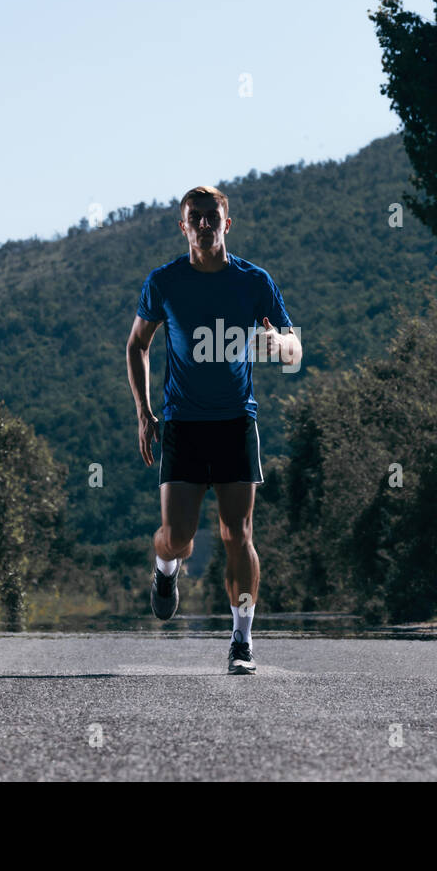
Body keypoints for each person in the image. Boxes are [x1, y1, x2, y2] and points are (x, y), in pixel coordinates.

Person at [126, 185, 301, 674]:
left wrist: (276, 343)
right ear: (183, 227)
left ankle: (241, 641)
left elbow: (294, 351)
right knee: (178, 537)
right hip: (182, 424)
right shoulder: (164, 282)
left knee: (236, 533)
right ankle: (165, 569)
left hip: (235, 423)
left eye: (212, 216)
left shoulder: (255, 282)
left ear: (228, 223)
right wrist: (143, 411)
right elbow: (137, 345)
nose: (205, 224)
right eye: (195, 217)